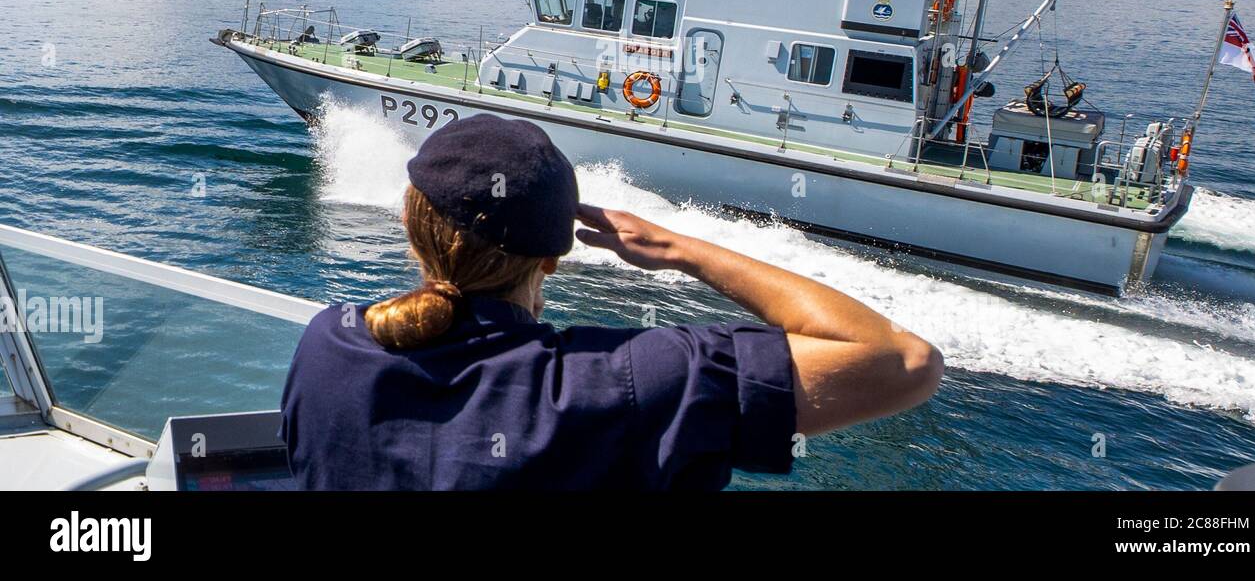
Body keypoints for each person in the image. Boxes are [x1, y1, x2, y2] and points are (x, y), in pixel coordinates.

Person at [280, 114, 943, 491]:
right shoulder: (643, 378)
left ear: (409, 225)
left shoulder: (327, 347)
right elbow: (902, 359)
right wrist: (684, 250)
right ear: (552, 258)